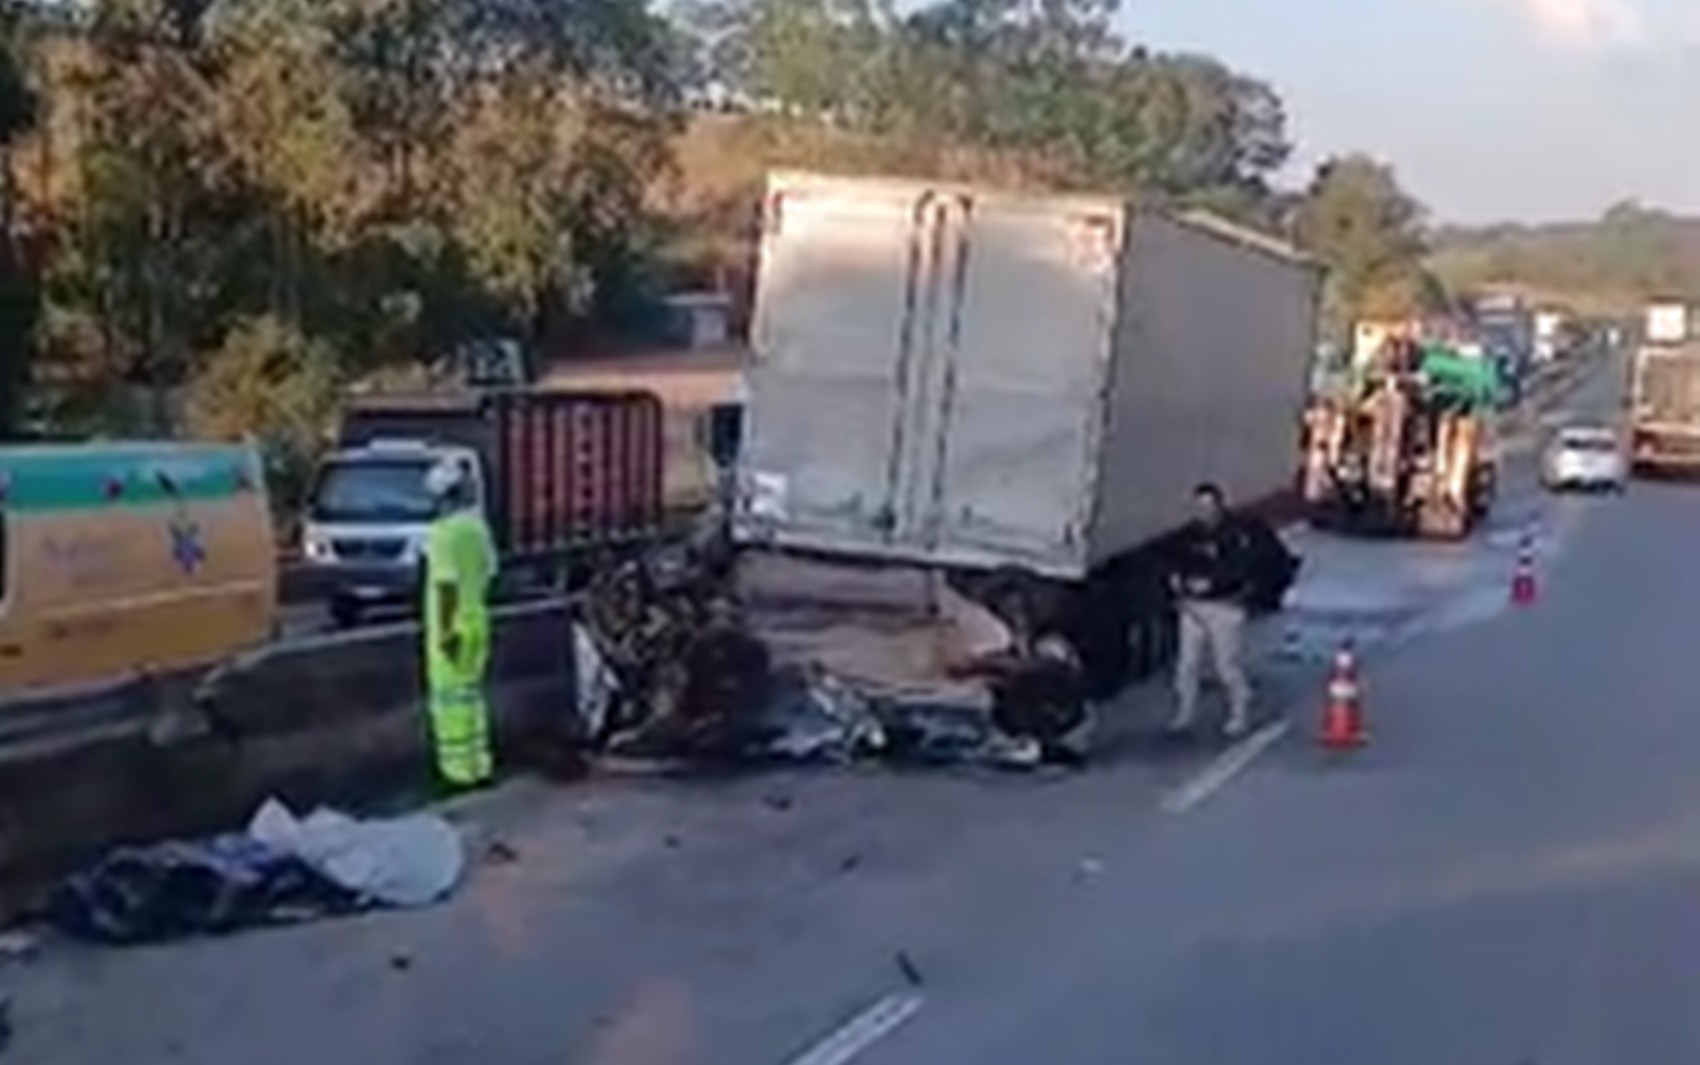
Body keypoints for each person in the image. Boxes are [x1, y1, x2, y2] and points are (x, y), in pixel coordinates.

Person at [422, 457, 498, 791]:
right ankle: (479, 762)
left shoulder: (442, 535)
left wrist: (447, 631)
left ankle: (456, 771)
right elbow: (489, 573)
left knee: (448, 700)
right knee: (472, 696)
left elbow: (445, 586)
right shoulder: (478, 530)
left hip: (450, 625)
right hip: (479, 619)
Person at [1166, 482, 1256, 739]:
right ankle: (1184, 712)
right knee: (1187, 664)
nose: (1203, 511)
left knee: (1226, 665)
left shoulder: (1234, 534)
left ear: (1219, 506)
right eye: (1199, 506)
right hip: (1192, 607)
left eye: (1208, 506)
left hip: (1224, 607)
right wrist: (1178, 580)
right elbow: (1175, 560)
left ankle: (1239, 712)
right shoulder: (1188, 535)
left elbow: (1240, 569)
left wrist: (1213, 583)